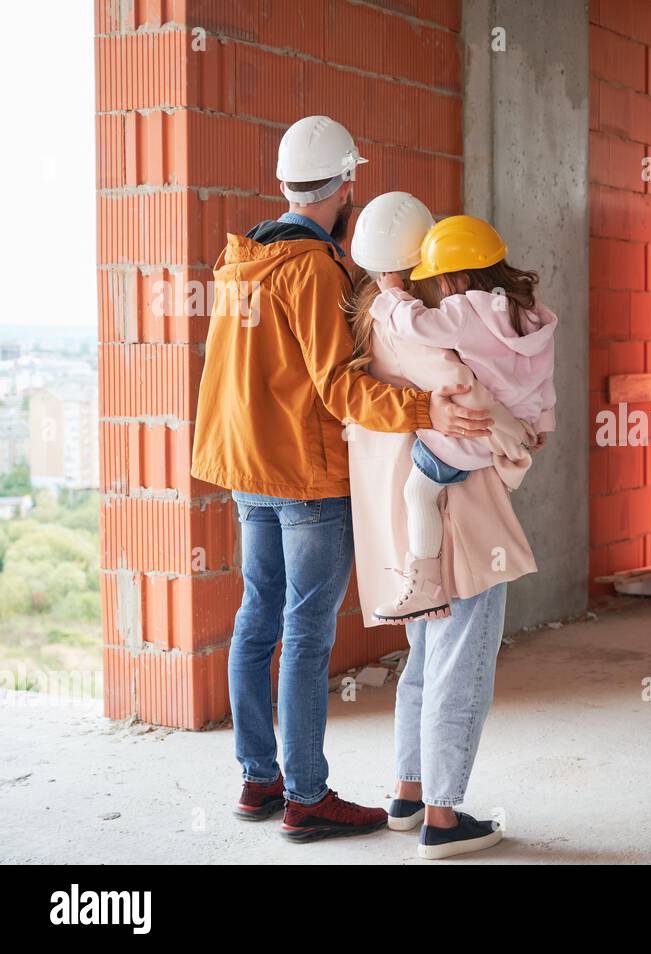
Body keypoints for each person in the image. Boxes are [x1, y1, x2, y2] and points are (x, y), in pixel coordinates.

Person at [191, 116, 496, 843]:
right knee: (303, 634)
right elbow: (341, 387)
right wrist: (428, 407)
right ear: (348, 184)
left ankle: (258, 780)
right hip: (302, 476)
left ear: (287, 183)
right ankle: (306, 797)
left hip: (244, 469)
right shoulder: (316, 272)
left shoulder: (240, 264)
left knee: (257, 618)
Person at [343, 195, 551, 859]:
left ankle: (407, 793)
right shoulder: (426, 331)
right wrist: (520, 434)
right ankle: (442, 815)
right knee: (463, 666)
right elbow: (473, 402)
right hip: (463, 518)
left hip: (409, 519)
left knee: (426, 660)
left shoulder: (371, 320)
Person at [368, 214, 556, 623]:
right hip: (513, 432)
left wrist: (392, 294)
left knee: (416, 494)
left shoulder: (465, 311)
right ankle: (427, 582)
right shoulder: (532, 314)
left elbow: (418, 326)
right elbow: (544, 378)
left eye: (440, 281)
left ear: (457, 280)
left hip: (467, 437)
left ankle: (424, 585)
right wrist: (542, 423)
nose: (439, 289)